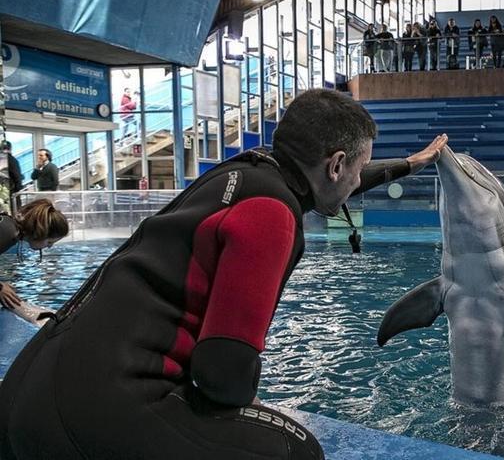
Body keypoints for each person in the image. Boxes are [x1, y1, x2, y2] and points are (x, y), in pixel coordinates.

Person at [0, 89, 449, 460]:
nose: (356, 181)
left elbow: (332, 182)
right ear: (334, 165)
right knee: (296, 451)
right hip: (90, 417)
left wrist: (411, 163)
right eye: (355, 168)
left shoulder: (244, 174)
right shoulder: (272, 216)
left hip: (26, 393)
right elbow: (221, 372)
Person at [0, 199, 69, 311]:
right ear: (40, 232)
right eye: (49, 242)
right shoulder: (8, 233)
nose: (50, 247)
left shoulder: (9, 227)